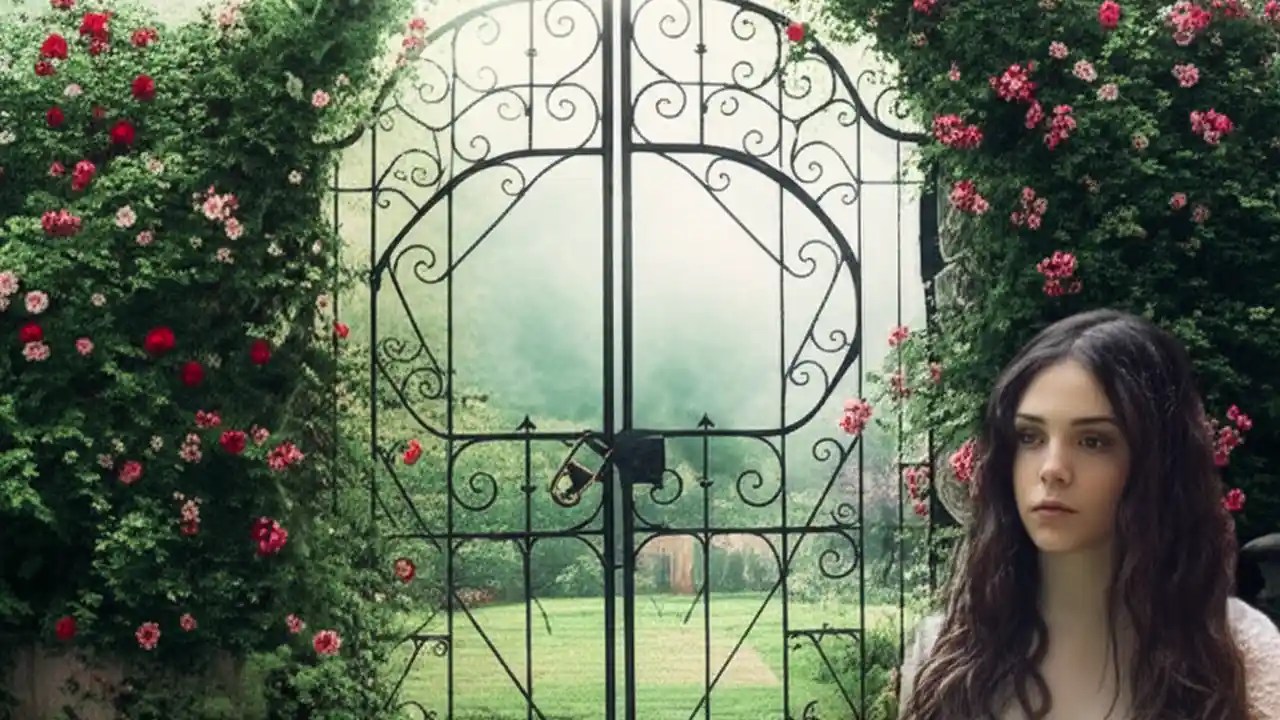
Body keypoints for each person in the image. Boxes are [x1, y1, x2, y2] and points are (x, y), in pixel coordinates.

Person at [898, 310, 1280, 719]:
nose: (1052, 468)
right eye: (1030, 437)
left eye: (1093, 441)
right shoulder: (946, 656)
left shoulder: (1239, 655)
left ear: (1158, 464)